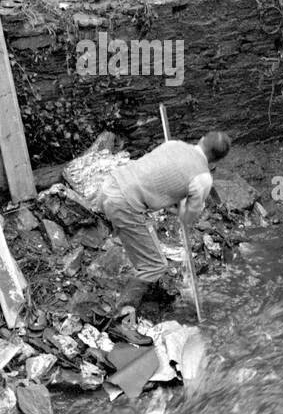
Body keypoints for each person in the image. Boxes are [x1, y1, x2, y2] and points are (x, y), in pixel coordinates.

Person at [96, 131, 233, 306]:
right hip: (124, 204)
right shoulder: (203, 179)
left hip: (109, 184)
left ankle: (119, 258)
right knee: (156, 266)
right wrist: (182, 204)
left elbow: (157, 173)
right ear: (217, 160)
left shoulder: (174, 144)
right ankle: (122, 315)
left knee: (137, 229)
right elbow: (186, 218)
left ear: (201, 139)